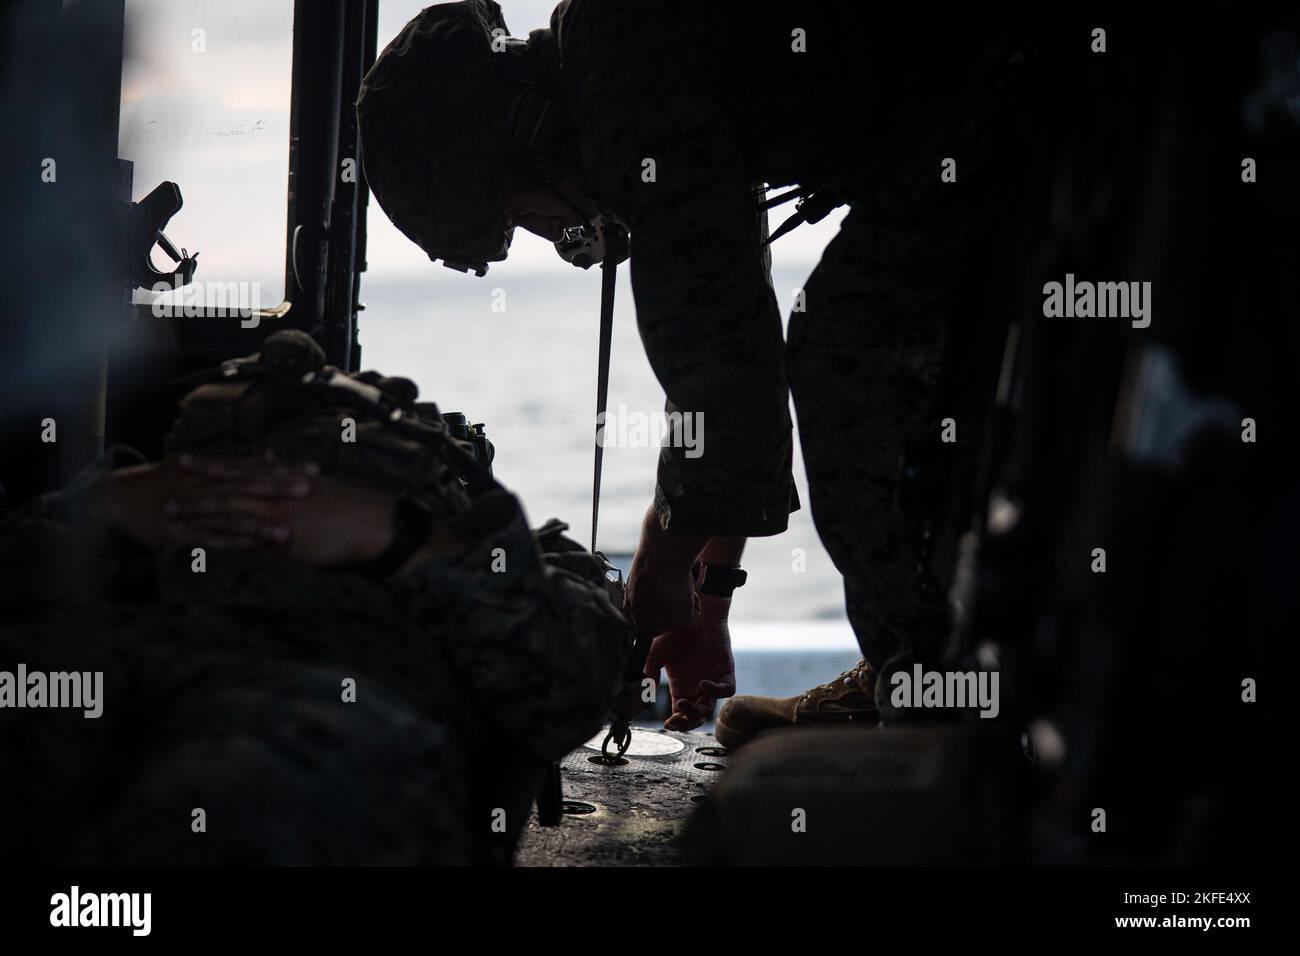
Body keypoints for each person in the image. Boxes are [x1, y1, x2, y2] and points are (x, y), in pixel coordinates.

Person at [356, 1, 1023, 743]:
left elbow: (725, 382)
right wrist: (704, 600)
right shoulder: (634, 58)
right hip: (968, 108)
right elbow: (738, 343)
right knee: (852, 336)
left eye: (531, 217)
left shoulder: (632, 83)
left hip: (999, 91)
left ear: (534, 136)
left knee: (849, 355)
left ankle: (931, 708)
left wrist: (660, 569)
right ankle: (918, 673)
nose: (564, 239)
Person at [0, 330, 628, 863]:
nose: (264, 488)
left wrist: (396, 542)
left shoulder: (455, 584)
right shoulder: (104, 536)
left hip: (310, 732)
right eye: (240, 465)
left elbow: (577, 676)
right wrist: (104, 509)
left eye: (301, 470)